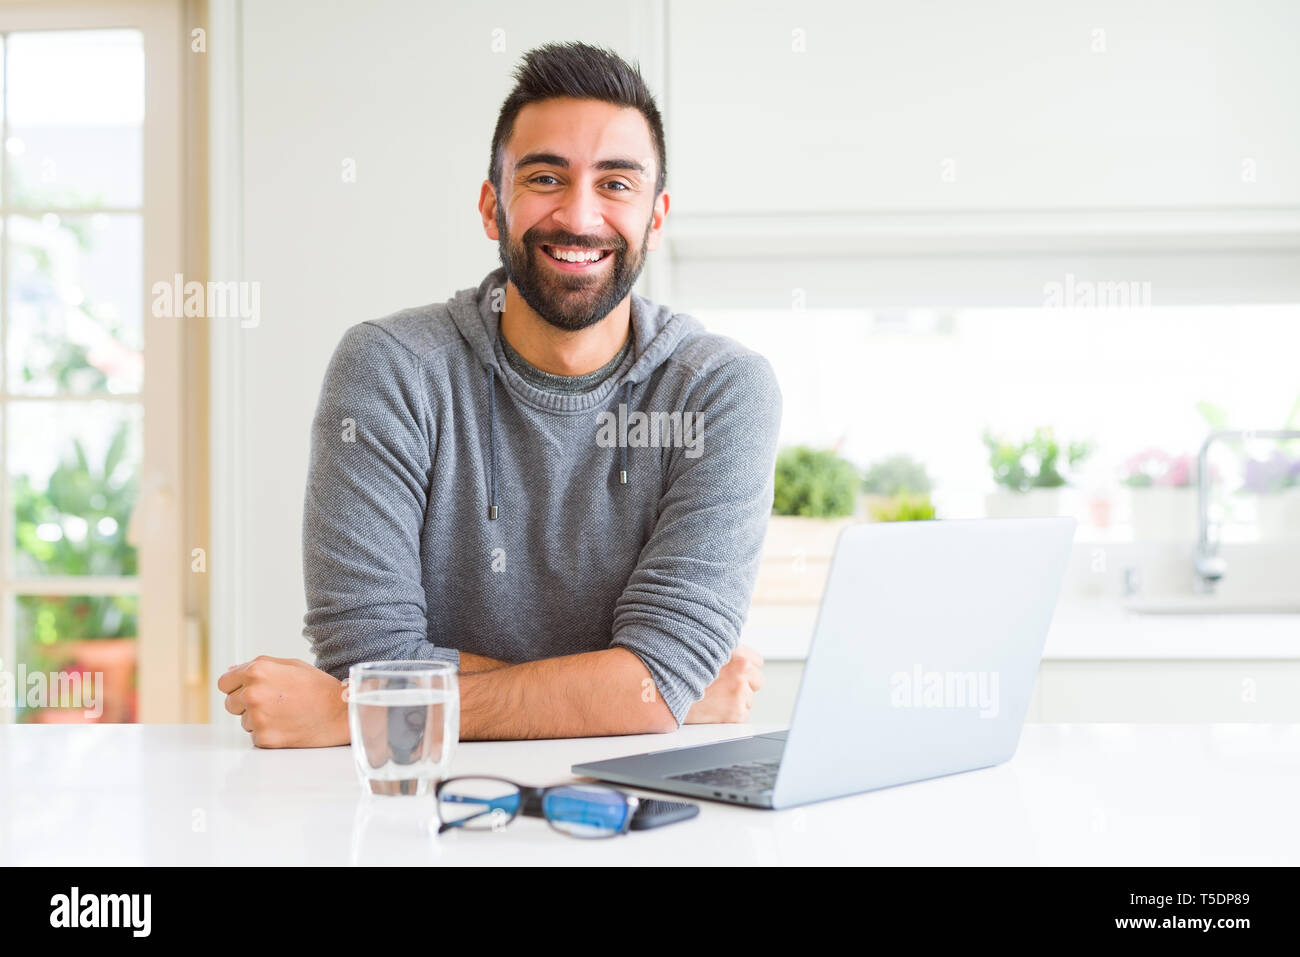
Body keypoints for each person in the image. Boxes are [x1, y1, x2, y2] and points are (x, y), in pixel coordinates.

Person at [219, 41, 781, 748]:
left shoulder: (721, 392)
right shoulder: (389, 370)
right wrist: (647, 690)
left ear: (656, 220)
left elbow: (375, 693)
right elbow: (368, 657)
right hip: (416, 818)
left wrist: (356, 711)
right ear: (493, 207)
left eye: (616, 184)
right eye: (546, 177)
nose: (579, 216)